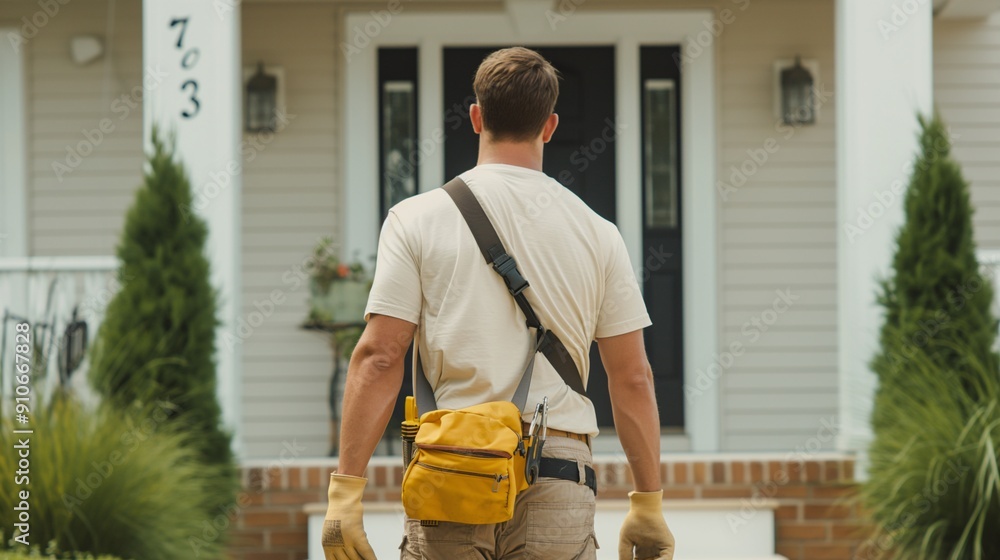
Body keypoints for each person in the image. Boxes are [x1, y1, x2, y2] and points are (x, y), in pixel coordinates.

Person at [322, 46, 675, 560]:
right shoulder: (598, 233)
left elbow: (380, 356)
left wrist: (346, 493)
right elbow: (632, 377)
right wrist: (647, 503)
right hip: (558, 471)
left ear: (476, 117)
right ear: (550, 126)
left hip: (453, 468)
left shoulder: (415, 219)